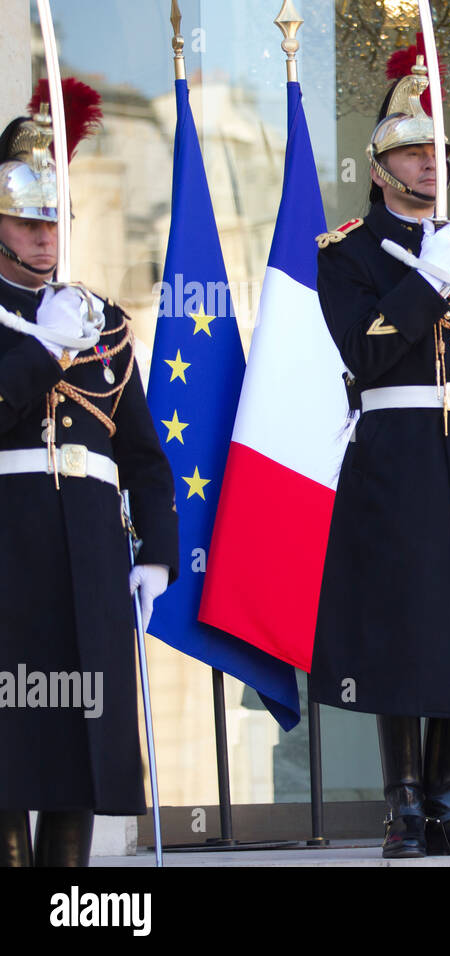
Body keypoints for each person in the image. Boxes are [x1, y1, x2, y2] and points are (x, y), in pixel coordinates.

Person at [307, 61, 450, 858]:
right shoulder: (347, 254)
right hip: (395, 454)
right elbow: (364, 357)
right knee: (404, 628)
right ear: (378, 169)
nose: (429, 164)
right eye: (411, 153)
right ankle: (405, 808)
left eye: (435, 152)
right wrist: (427, 284)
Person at [0, 93, 177, 866]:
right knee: (9, 754)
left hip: (90, 554)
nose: (45, 238)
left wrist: (156, 552)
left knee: (82, 751)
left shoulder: (101, 321)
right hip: (10, 550)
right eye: (28, 222)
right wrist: (40, 351)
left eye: (54, 221)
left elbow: (138, 452)